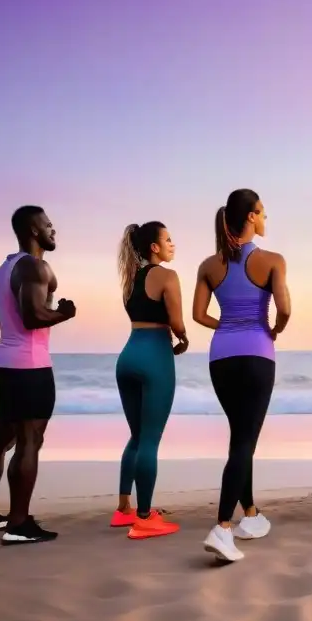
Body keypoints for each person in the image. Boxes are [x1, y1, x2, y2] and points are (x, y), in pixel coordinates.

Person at [193, 189, 290, 562]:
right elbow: (285, 308)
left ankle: (250, 514)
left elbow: (199, 315)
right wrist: (273, 329)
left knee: (240, 436)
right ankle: (222, 527)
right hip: (256, 355)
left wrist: (229, 325)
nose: (265, 219)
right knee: (245, 440)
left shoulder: (209, 265)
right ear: (250, 216)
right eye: (262, 212)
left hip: (221, 357)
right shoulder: (272, 261)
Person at [0, 206, 76, 545]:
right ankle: (18, 524)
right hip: (30, 364)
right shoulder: (35, 266)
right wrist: (63, 313)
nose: (53, 229)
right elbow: (33, 316)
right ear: (33, 230)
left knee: (3, 438)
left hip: (4, 363)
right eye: (48, 224)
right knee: (30, 440)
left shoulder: (3, 269)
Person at [110, 221, 187, 539]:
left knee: (137, 436)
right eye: (168, 239)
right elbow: (177, 321)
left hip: (127, 356)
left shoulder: (130, 279)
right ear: (154, 247)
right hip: (155, 357)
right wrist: (183, 340)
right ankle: (144, 517)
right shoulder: (168, 276)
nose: (173, 244)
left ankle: (123, 509)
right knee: (151, 440)